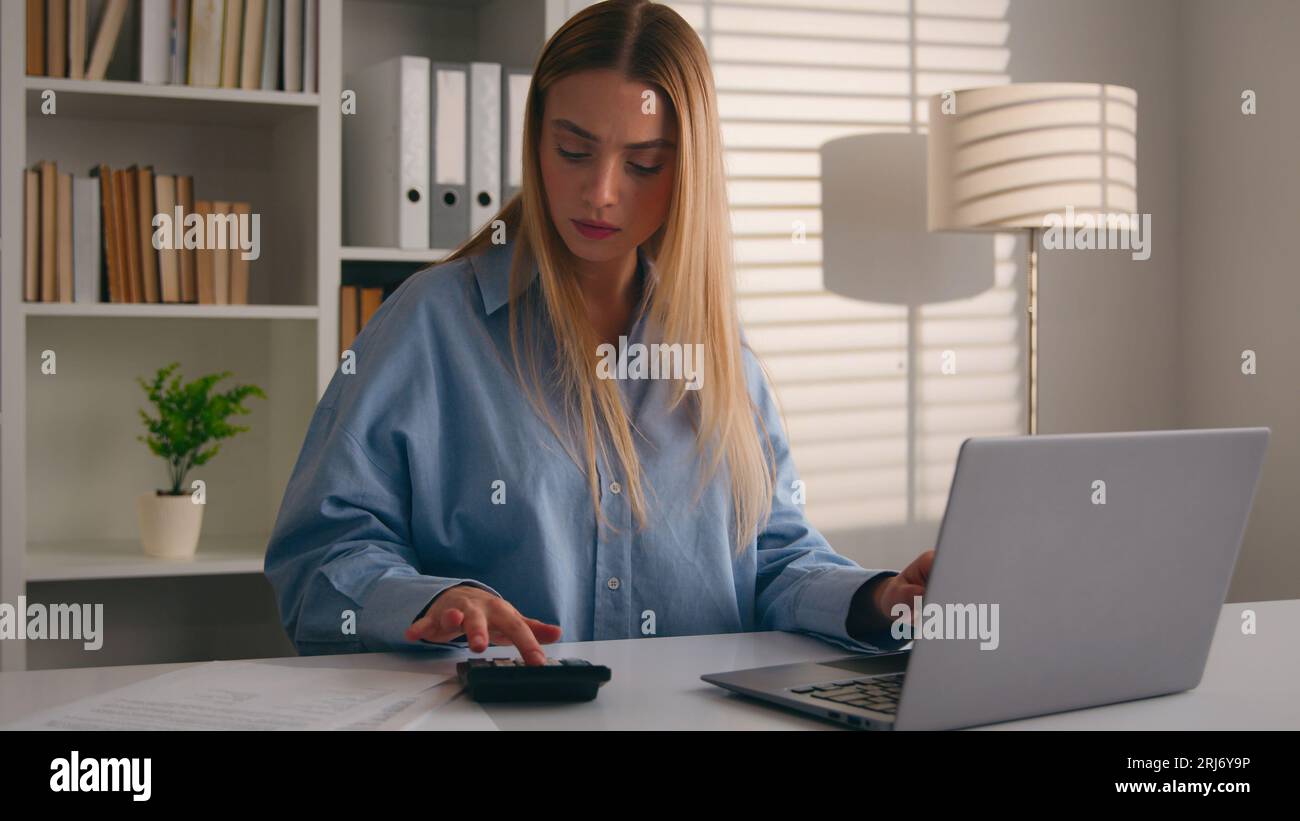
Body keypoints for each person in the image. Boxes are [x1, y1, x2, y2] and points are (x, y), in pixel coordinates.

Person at [265, 0, 933, 665]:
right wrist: (431, 599)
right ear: (536, 143)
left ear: (687, 172)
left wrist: (881, 599)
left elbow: (774, 561)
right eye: (573, 151)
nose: (601, 192)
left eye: (642, 163)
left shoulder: (719, 353)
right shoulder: (429, 326)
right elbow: (322, 559)